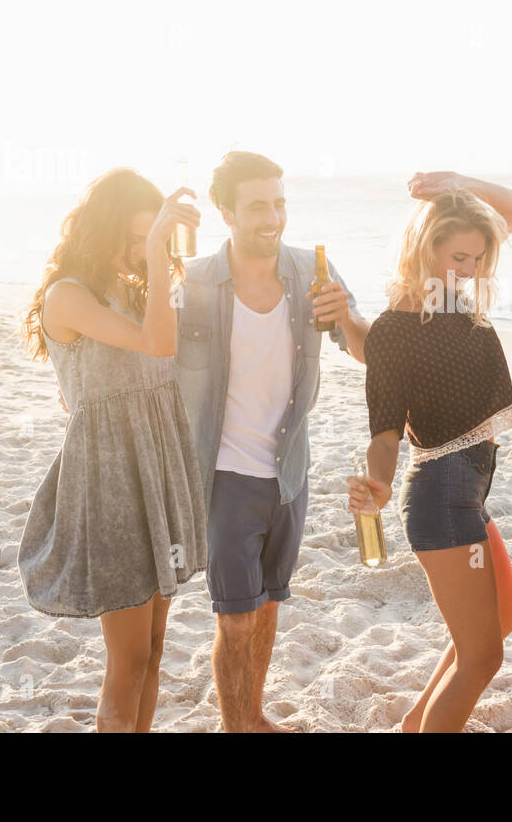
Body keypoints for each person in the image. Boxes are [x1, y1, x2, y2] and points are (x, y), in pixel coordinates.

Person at [173, 150, 369, 733]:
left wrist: (348, 319)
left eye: (279, 203)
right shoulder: (196, 281)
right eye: (258, 206)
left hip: (290, 471)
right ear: (226, 212)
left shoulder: (315, 272)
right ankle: (239, 728)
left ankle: (252, 713)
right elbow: (151, 356)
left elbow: (366, 351)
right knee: (233, 618)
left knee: (266, 606)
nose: (273, 217)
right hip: (225, 475)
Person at [19, 168, 207, 733]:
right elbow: (158, 342)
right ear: (104, 231)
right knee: (126, 661)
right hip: (111, 485)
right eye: (135, 237)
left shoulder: (135, 290)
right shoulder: (68, 296)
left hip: (159, 468)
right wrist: (155, 253)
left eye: (151, 237)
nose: (142, 249)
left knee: (151, 650)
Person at [348, 172, 512, 732]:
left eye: (477, 259)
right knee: (482, 658)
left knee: (506, 616)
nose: (469, 270)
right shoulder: (395, 330)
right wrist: (378, 480)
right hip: (441, 492)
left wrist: (454, 183)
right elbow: (385, 433)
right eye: (457, 257)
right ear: (423, 249)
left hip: (468, 488)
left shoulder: (453, 299)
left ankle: (414, 724)